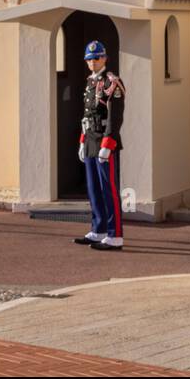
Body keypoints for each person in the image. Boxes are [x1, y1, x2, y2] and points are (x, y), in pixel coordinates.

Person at [72, 40, 125, 251]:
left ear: (104, 58)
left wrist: (107, 144)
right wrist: (82, 141)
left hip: (105, 141)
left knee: (109, 189)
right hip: (91, 139)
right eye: (89, 59)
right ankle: (99, 229)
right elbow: (87, 115)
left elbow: (115, 116)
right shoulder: (90, 82)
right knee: (93, 189)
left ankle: (115, 235)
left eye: (96, 58)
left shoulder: (112, 82)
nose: (92, 62)